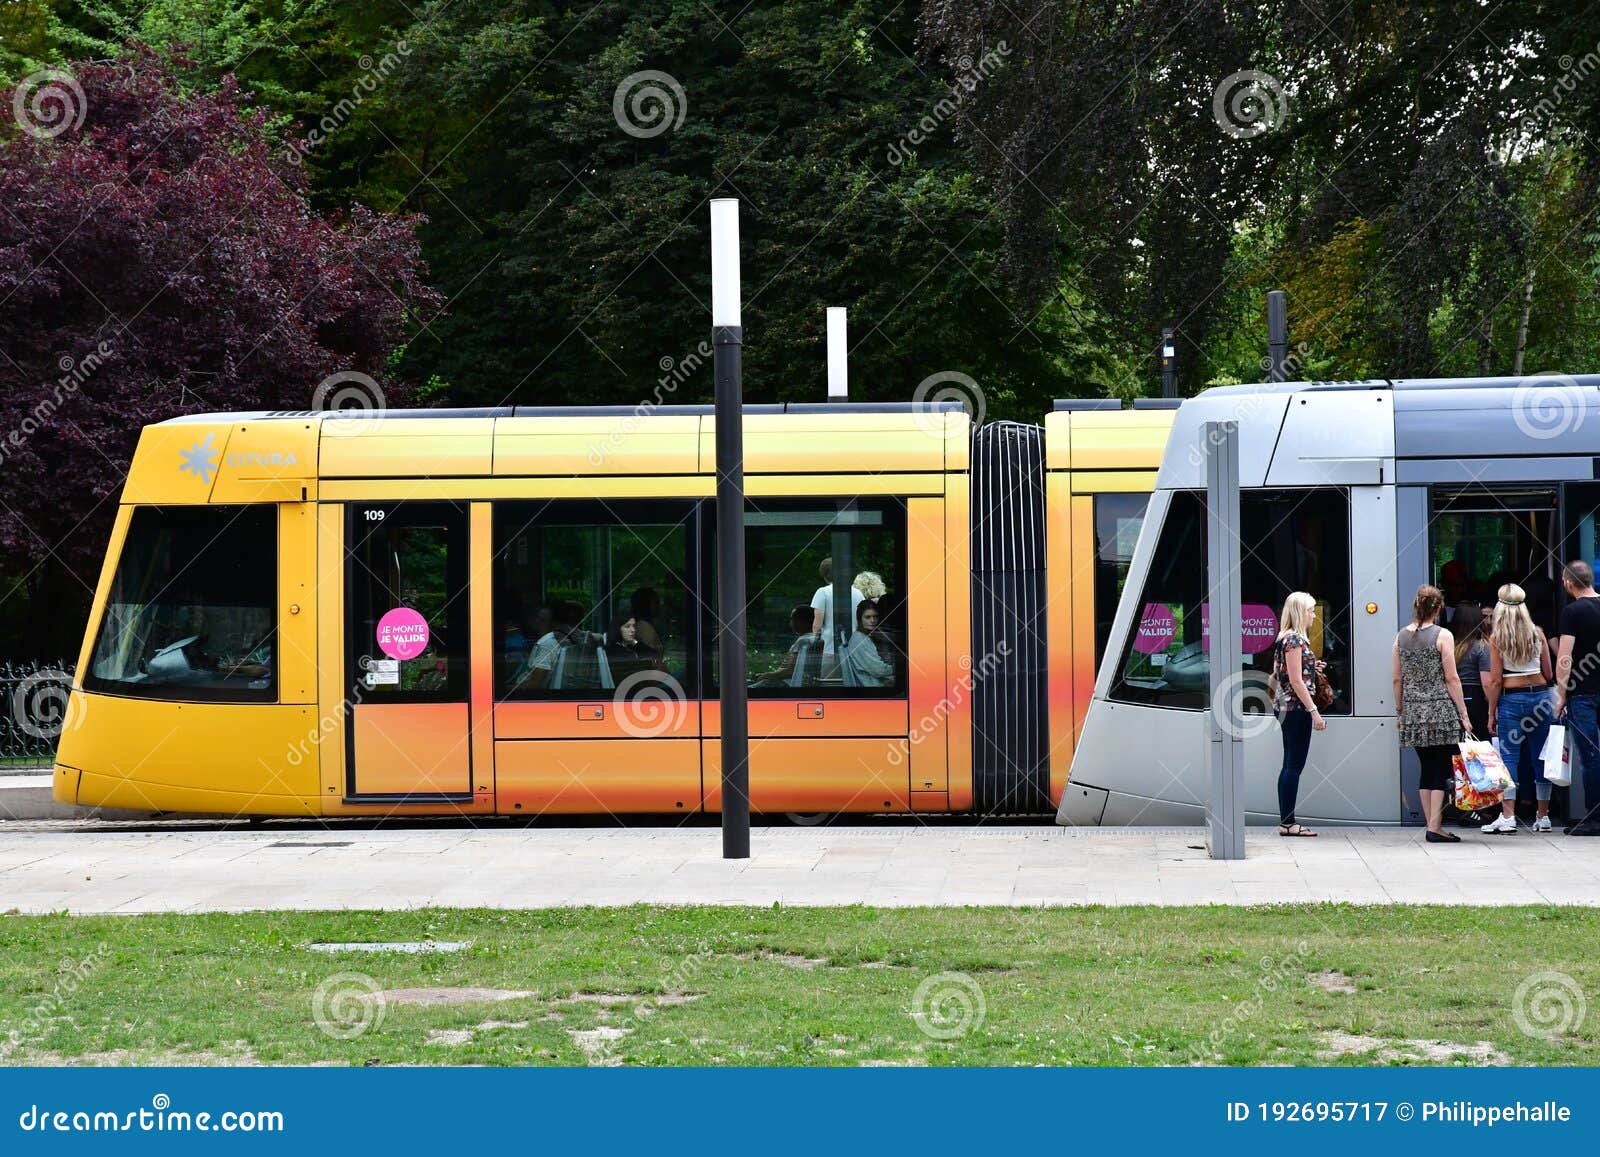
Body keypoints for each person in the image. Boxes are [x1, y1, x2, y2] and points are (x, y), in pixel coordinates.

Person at [1394, 584, 1475, 843]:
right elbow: (1451, 677)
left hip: (1413, 712)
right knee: (1440, 769)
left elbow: (1397, 679)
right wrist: (1463, 713)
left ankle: (1431, 824)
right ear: (1438, 608)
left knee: (1426, 768)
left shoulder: (1400, 637)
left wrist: (1399, 710)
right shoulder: (1443, 636)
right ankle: (1435, 827)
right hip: (1441, 710)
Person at [1482, 584, 1555, 833]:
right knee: (1540, 757)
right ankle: (1543, 817)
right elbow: (1548, 672)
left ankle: (1508, 816)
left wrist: (1491, 712)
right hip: (1541, 697)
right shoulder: (1538, 633)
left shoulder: (1497, 638)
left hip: (1511, 699)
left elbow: (1495, 680)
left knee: (1509, 757)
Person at [1271, 592, 1324, 837]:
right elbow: (1294, 679)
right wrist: (1314, 711)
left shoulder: (1283, 638)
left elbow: (1277, 674)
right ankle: (1288, 823)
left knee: (1289, 764)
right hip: (1296, 709)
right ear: (1301, 612)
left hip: (1285, 708)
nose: (1314, 615)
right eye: (1311, 610)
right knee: (1293, 766)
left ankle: (1287, 821)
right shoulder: (1294, 640)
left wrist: (1313, 666)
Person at [1555, 560, 1600, 835]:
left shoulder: (1572, 612)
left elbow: (1564, 658)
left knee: (1591, 756)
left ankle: (1595, 818)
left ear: (1570, 584)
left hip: (1582, 692)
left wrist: (1561, 694)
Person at [752, 605, 822, 687]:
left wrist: (765, 676)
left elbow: (790, 671)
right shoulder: (814, 639)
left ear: (804, 621)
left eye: (794, 619)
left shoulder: (803, 641)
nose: (791, 623)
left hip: (785, 684)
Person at [811, 558, 864, 654]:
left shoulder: (822, 592)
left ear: (825, 575)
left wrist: (814, 647)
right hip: (854, 650)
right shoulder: (858, 593)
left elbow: (817, 626)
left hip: (829, 649)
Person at [840, 600, 895, 687]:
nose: (872, 620)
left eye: (875, 616)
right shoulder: (860, 639)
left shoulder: (868, 636)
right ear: (860, 619)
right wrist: (900, 667)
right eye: (867, 617)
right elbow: (879, 670)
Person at [605, 612, 662, 682]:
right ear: (618, 629)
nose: (633, 630)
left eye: (634, 626)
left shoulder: (630, 646)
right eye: (627, 626)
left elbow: (654, 654)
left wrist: (635, 642)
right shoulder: (614, 651)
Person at [630, 588, 665, 656]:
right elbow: (646, 657)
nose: (659, 606)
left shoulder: (643, 625)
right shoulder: (644, 627)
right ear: (645, 605)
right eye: (656, 603)